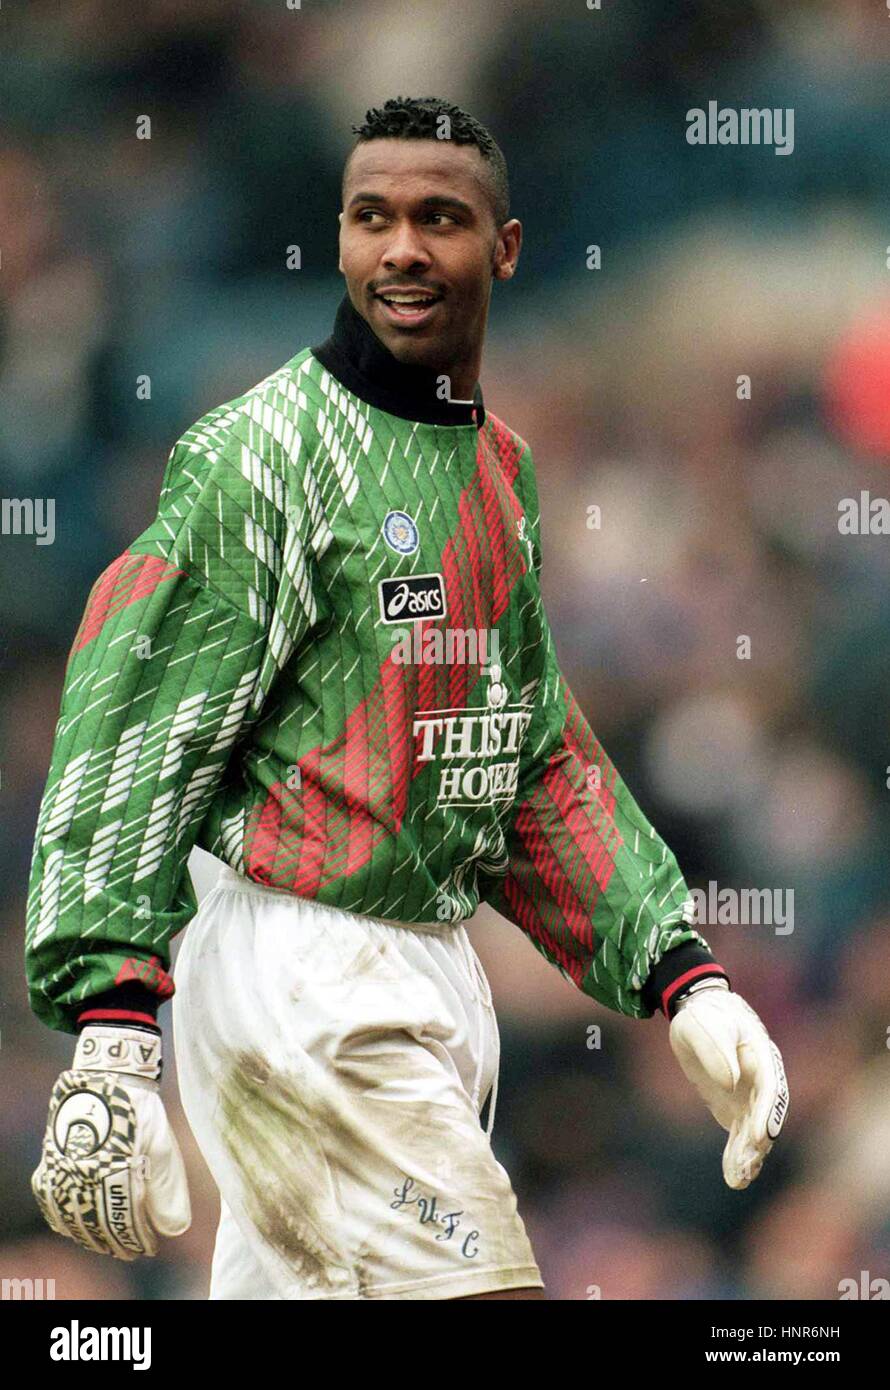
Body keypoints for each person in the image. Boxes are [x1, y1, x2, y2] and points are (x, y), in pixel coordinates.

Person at [26, 95, 788, 1301]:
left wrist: (676, 972)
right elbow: (133, 715)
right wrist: (111, 1024)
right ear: (337, 240)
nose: (400, 249)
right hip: (308, 976)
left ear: (506, 247)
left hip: (425, 972)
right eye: (370, 217)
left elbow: (526, 750)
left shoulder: (500, 472)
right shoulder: (260, 455)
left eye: (437, 218)